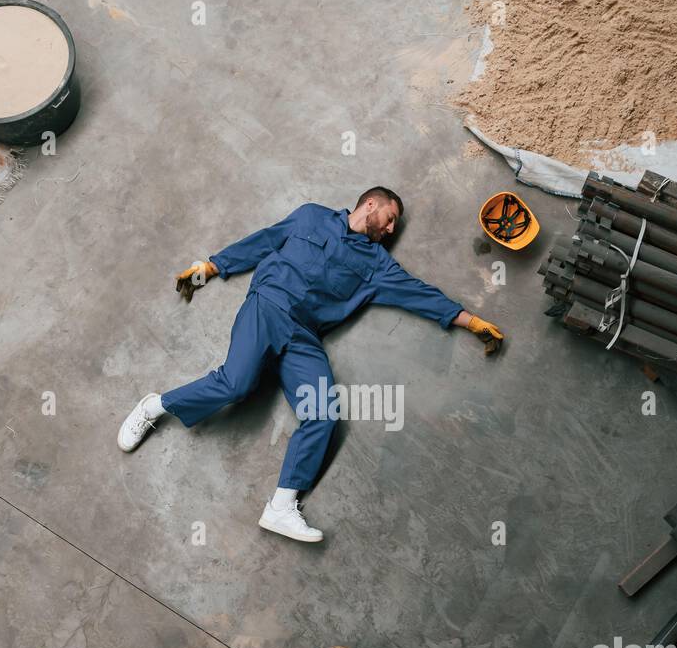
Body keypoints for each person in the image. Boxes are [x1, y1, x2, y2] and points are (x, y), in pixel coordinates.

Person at [117, 187, 504, 543]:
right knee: (236, 385)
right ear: (371, 204)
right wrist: (211, 267)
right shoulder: (311, 216)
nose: (389, 229)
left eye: (393, 227)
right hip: (268, 305)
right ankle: (154, 406)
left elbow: (419, 294)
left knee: (323, 413)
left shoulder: (377, 265)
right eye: (389, 218)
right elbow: (266, 240)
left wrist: (472, 322)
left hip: (303, 336)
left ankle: (281, 506)